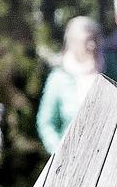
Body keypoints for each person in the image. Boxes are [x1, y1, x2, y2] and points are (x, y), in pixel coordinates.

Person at [37, 16, 106, 156]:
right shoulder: (58, 78)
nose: (92, 46)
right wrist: (60, 152)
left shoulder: (111, 68)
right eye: (87, 41)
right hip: (73, 155)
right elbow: (46, 123)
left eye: (95, 40)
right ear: (72, 44)